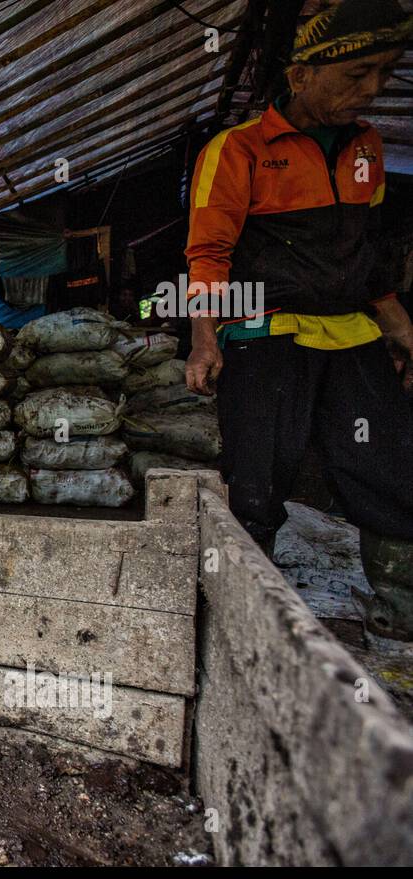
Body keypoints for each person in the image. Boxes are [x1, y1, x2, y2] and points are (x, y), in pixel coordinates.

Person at [184, 0, 413, 643]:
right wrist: (206, 340)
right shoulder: (237, 150)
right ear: (302, 73)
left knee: (386, 466)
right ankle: (242, 614)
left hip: (351, 330)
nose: (370, 91)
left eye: (384, 75)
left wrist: (398, 325)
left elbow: (367, 255)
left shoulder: (366, 147)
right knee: (257, 476)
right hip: (266, 329)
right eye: (357, 74)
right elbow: (208, 257)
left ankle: (398, 612)